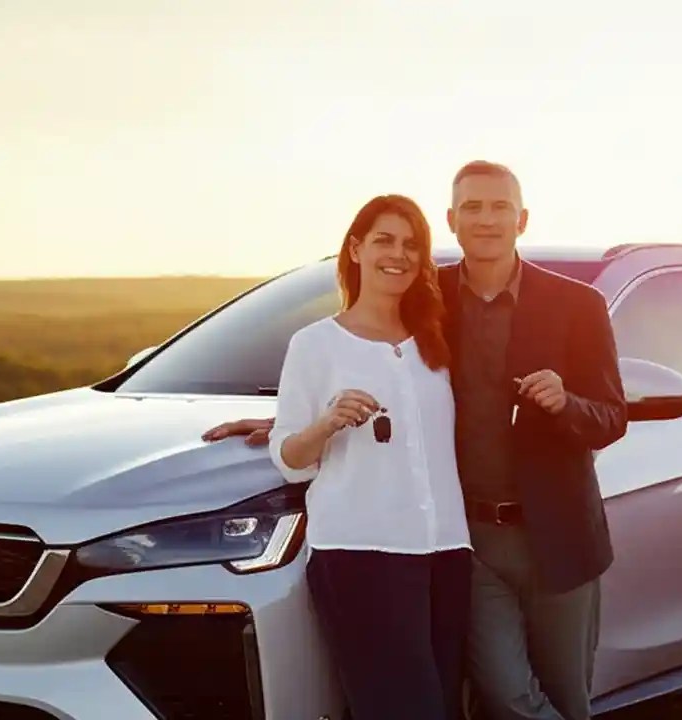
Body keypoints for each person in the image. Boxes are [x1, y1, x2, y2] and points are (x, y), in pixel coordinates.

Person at [203, 161, 627, 720]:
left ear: (522, 219)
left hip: (558, 534)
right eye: (471, 207)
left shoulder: (578, 305)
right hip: (469, 541)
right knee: (502, 692)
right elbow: (373, 366)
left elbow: (612, 415)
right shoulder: (431, 303)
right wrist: (280, 422)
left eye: (499, 206)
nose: (486, 219)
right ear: (451, 220)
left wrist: (567, 402)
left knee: (566, 695)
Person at [268, 193, 472, 720]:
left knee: (445, 705)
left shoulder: (436, 341)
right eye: (384, 240)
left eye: (412, 245)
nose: (398, 254)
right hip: (361, 555)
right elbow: (290, 456)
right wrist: (326, 422)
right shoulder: (315, 344)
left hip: (446, 550)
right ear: (356, 249)